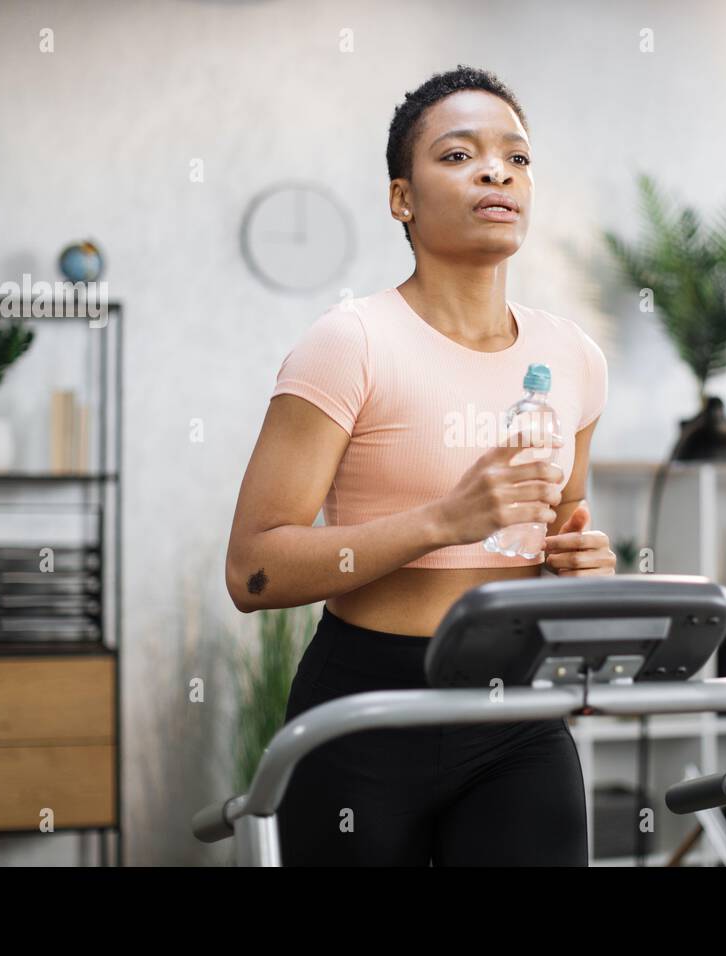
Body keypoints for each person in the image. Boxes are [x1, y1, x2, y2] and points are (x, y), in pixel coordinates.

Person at [226, 65, 613, 866]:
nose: (496, 170)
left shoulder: (575, 357)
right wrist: (444, 520)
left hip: (514, 711)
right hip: (365, 708)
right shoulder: (350, 342)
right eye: (459, 155)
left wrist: (577, 566)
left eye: (517, 156)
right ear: (402, 198)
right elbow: (252, 570)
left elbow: (554, 535)